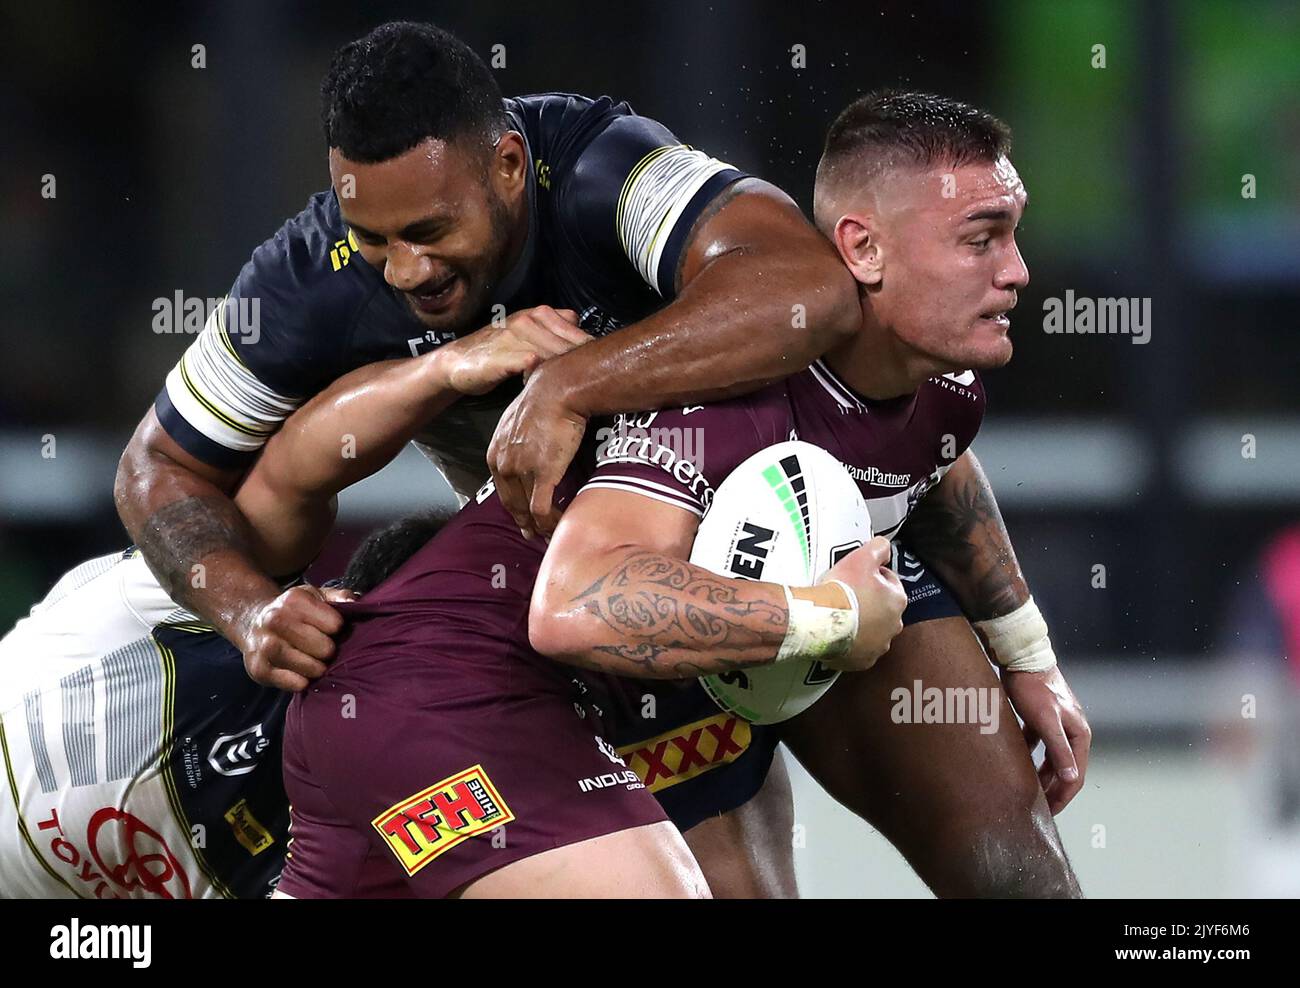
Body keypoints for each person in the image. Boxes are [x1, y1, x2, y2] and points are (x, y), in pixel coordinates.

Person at [266, 91, 1092, 900]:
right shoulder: (730, 405)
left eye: (1011, 236)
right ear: (864, 250)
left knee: (1023, 876)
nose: (1017, 271)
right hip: (451, 690)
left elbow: (931, 468)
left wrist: (1028, 655)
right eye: (982, 240)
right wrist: (829, 618)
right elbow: (574, 605)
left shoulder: (945, 388)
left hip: (626, 687)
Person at [113, 19, 859, 697]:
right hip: (582, 613)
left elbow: (811, 288)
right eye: (373, 237)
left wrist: (569, 385)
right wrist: (249, 612)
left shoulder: (599, 163)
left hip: (803, 533)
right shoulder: (304, 280)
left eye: (431, 230)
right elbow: (154, 467)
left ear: (507, 165)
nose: (406, 270)